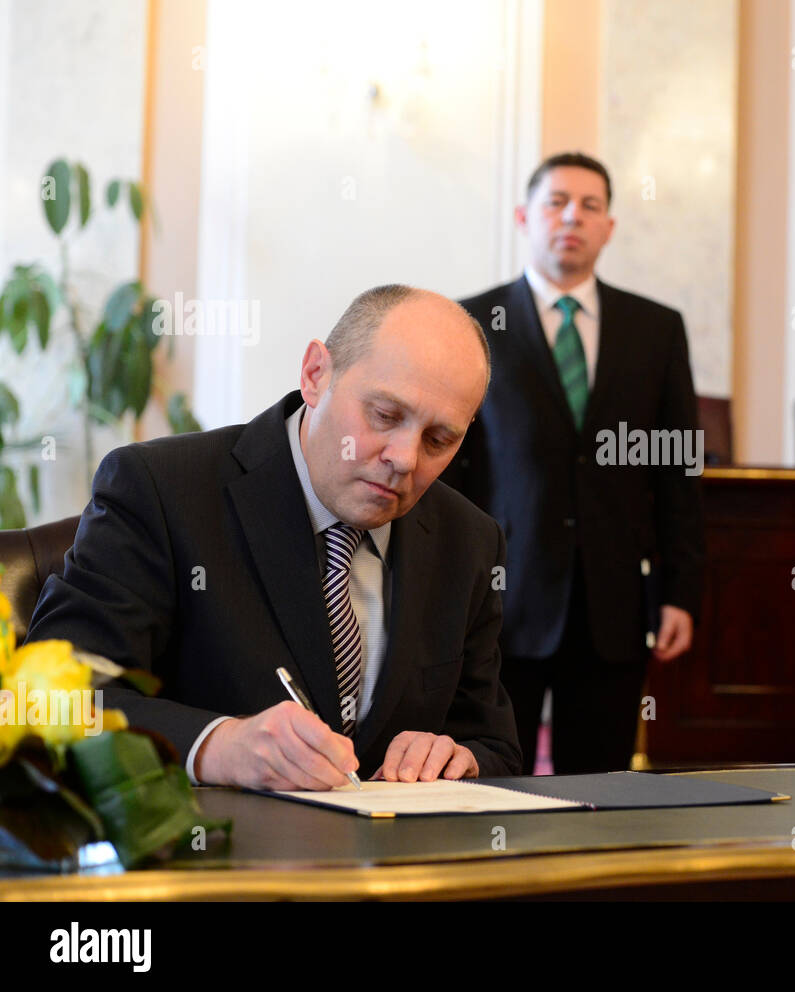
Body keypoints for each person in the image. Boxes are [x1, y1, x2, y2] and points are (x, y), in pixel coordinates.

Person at [26, 286, 521, 789]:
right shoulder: (159, 489)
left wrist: (459, 757)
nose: (406, 459)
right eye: (385, 416)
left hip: (390, 864)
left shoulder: (470, 541)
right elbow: (50, 701)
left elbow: (496, 746)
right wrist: (217, 746)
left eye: (440, 440)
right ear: (315, 375)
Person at [447, 152, 704, 775]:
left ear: (609, 227)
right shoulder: (469, 322)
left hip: (613, 599)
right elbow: (453, 467)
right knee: (492, 777)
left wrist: (680, 592)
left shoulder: (656, 328)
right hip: (502, 595)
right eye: (556, 202)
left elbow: (680, 470)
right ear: (524, 217)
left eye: (591, 206)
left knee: (600, 787)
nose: (572, 217)